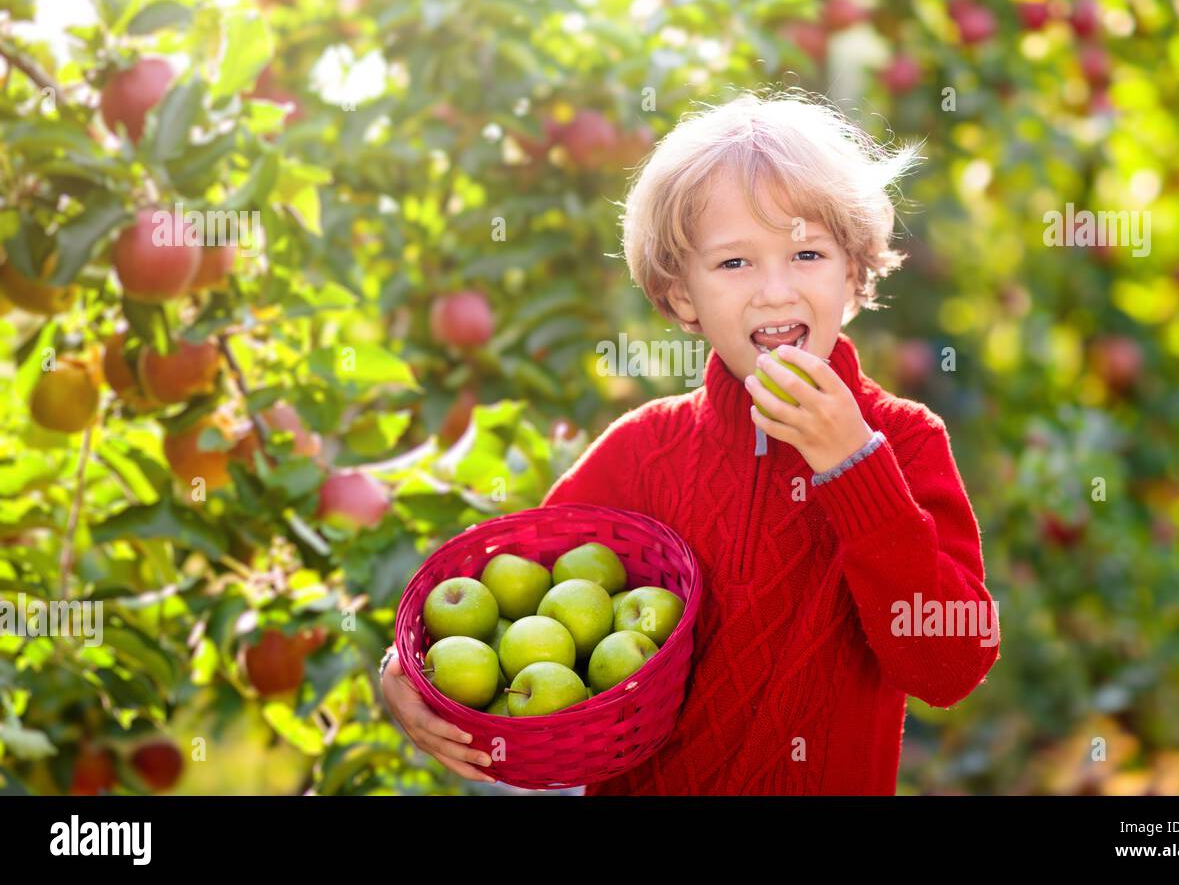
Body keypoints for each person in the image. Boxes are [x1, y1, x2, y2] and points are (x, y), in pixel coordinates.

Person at [381, 87, 999, 794]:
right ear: (682, 297)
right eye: (734, 264)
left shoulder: (905, 444)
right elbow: (506, 600)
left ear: (854, 272)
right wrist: (408, 671)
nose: (774, 291)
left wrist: (853, 468)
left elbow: (950, 667)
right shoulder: (644, 452)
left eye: (806, 253)